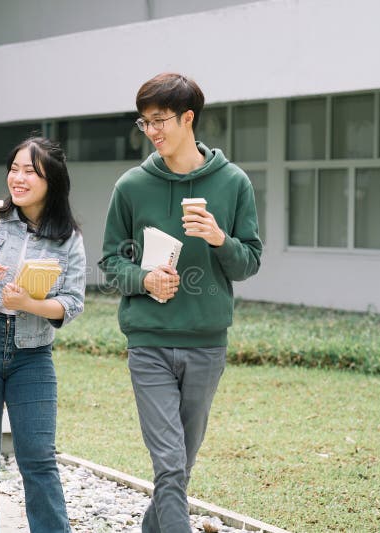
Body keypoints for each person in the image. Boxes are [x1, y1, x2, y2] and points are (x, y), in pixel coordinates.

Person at [99, 73, 262, 533]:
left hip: (207, 344)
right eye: (144, 122)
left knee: (179, 468)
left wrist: (219, 239)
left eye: (161, 120)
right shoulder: (131, 186)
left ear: (188, 118)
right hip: (148, 341)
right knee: (169, 464)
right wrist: (145, 280)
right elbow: (111, 260)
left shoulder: (233, 183)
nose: (152, 131)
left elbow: (249, 262)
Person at [0, 137, 86, 532]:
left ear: (51, 181)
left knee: (39, 456)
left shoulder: (67, 237)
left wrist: (30, 305)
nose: (18, 178)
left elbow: (72, 302)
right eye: (15, 168)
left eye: (30, 171)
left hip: (32, 354)